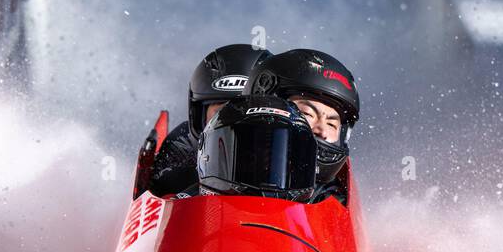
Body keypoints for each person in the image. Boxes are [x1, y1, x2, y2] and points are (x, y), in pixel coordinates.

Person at [150, 44, 271, 197]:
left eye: (246, 111)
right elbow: (158, 204)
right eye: (221, 112)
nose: (233, 123)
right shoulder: (181, 151)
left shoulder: (293, 151)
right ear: (200, 116)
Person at [245, 48, 360, 187]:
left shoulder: (337, 199)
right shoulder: (218, 172)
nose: (322, 131)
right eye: (307, 113)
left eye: (331, 124)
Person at [196, 95, 322, 202]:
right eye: (249, 158)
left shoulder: (317, 216)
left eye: (276, 158)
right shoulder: (183, 206)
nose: (267, 165)